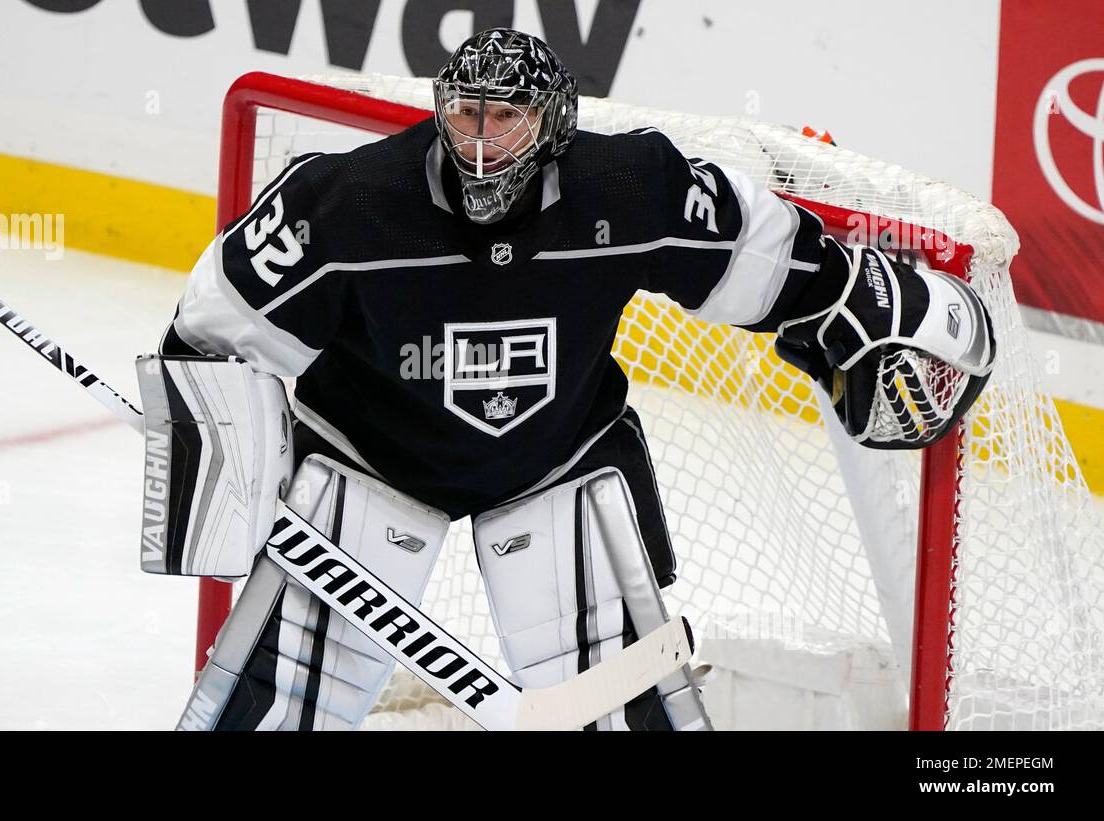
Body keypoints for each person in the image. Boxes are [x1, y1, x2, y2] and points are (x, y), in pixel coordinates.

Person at [148, 28, 995, 730]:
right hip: (369, 462)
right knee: (276, 711)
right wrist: (224, 465)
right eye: (467, 116)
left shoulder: (629, 188)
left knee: (621, 713)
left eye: (506, 121)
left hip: (559, 463)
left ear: (552, 125)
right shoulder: (352, 202)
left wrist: (851, 297)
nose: (481, 146)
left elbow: (761, 253)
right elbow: (212, 326)